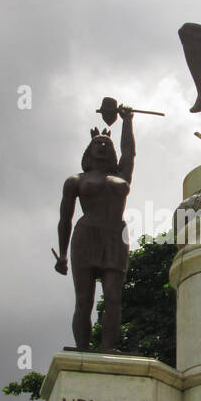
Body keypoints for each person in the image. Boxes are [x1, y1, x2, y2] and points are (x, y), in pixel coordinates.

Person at [54, 106, 134, 352]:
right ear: (89, 150)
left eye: (105, 144)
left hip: (115, 237)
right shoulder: (76, 181)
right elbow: (65, 218)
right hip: (85, 236)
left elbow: (129, 151)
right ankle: (82, 348)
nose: (102, 146)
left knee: (112, 297)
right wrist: (63, 254)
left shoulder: (122, 174)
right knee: (84, 300)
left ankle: (108, 347)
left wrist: (127, 121)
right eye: (97, 143)